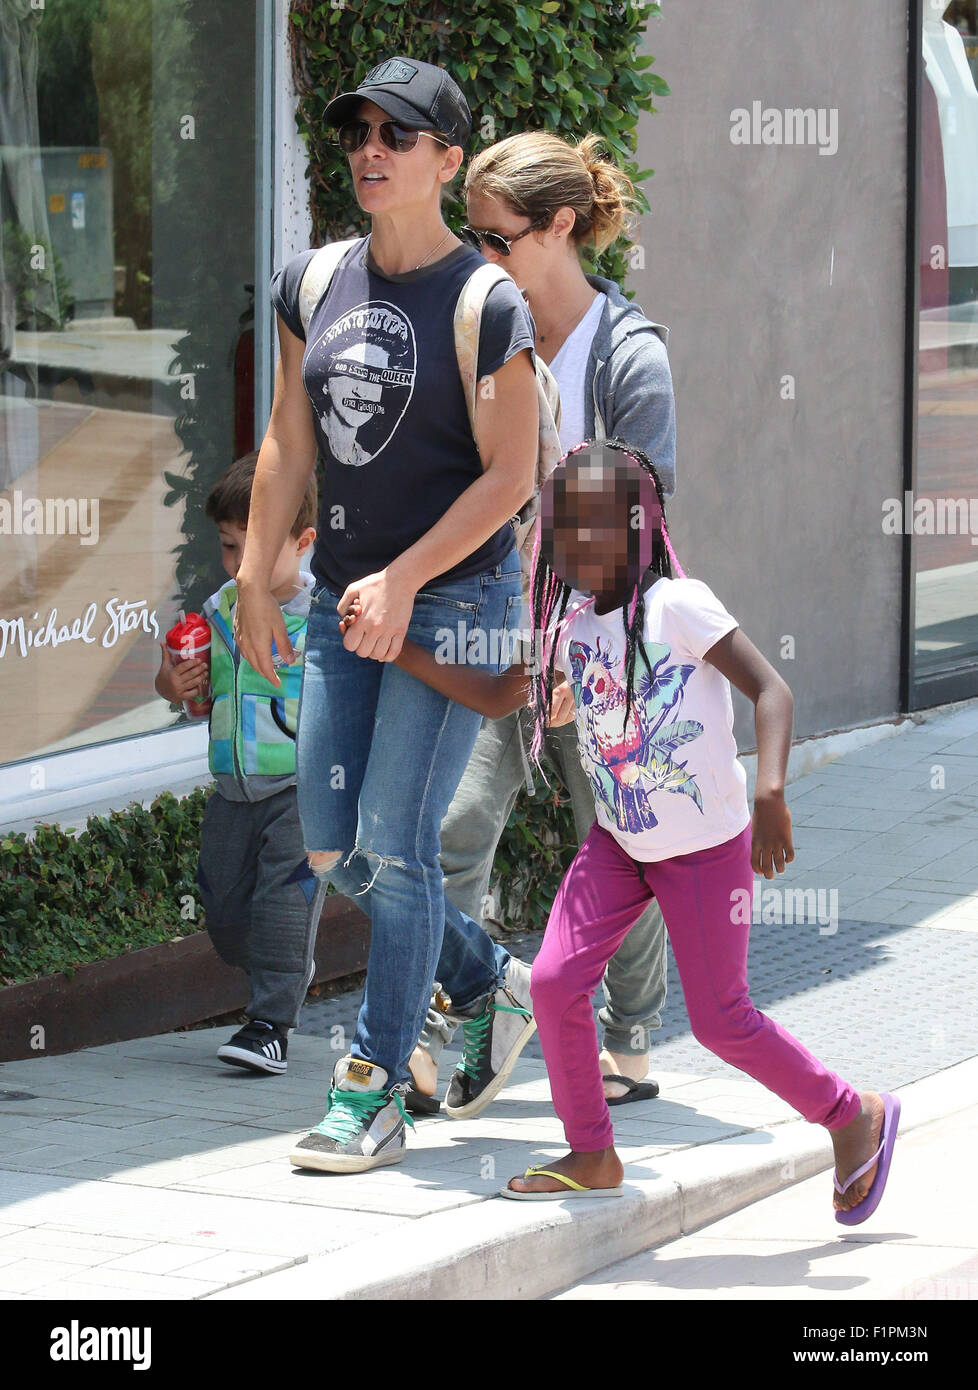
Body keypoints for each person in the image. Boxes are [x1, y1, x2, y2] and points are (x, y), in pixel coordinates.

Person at [370, 438, 900, 1221]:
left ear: (638, 522)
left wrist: (773, 796)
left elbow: (773, 691)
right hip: (619, 845)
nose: (577, 547)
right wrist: (401, 648)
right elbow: (494, 696)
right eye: (563, 531)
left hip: (703, 851)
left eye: (595, 527)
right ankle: (593, 1151)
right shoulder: (573, 631)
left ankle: (852, 1116)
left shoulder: (679, 606)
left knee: (723, 1022)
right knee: (551, 982)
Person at [232, 56, 540, 1173]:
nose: (372, 149)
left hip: (453, 606)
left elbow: (511, 478)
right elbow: (286, 439)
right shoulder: (312, 283)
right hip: (343, 602)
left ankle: (375, 1085)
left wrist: (407, 577)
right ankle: (485, 978)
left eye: (399, 135)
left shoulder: (485, 303)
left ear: (448, 162)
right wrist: (262, 571)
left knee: (398, 852)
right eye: (361, 130)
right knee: (331, 848)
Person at [409, 131, 676, 1117]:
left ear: (561, 226)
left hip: (602, 639)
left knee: (619, 835)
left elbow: (644, 513)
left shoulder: (627, 352)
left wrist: (580, 643)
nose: (480, 260)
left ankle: (631, 1036)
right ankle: (466, 1012)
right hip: (495, 636)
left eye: (498, 240)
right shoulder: (481, 337)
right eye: (469, 237)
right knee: (448, 829)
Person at [154, 451, 325, 1073]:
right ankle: (274, 976)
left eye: (251, 551)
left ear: (303, 541)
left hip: (299, 789)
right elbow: (190, 691)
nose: (237, 566)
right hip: (232, 789)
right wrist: (174, 685)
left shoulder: (324, 618)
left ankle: (270, 1022)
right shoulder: (219, 609)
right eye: (229, 548)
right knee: (225, 912)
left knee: (285, 898)